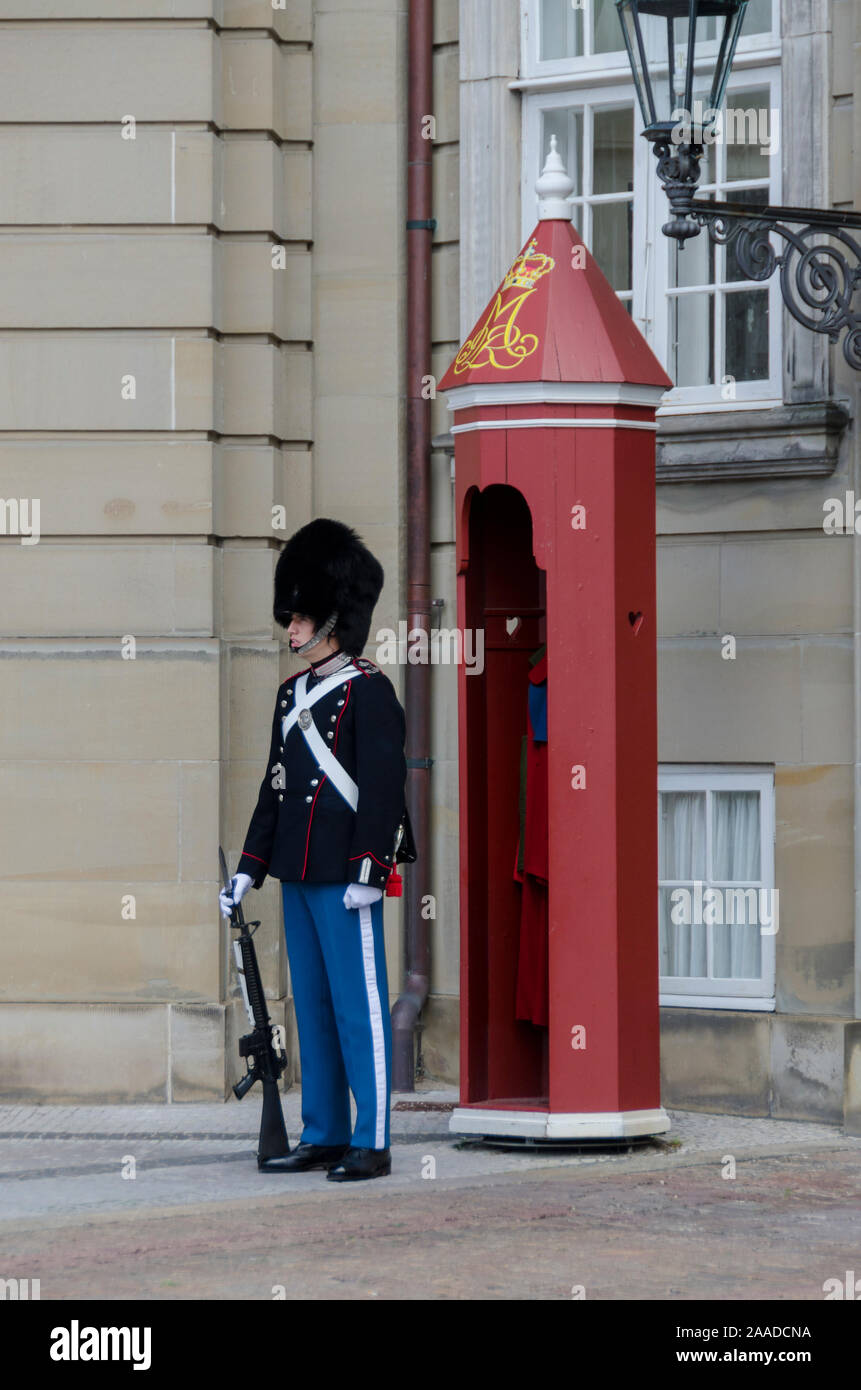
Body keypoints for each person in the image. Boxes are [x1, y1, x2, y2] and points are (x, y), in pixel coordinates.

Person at [219, 518, 415, 1181]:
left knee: (359, 1007)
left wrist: (370, 869)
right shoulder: (288, 698)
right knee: (315, 1008)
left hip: (343, 876)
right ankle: (325, 1130)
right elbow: (273, 790)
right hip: (299, 873)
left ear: (335, 616)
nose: (291, 628)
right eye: (292, 616)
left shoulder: (369, 692)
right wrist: (248, 870)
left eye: (301, 616)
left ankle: (373, 1136)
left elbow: (384, 792)